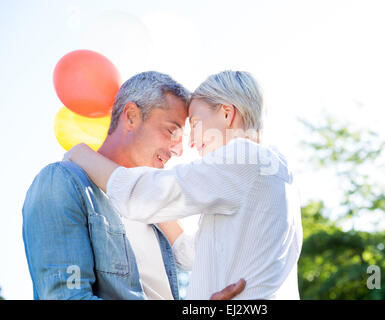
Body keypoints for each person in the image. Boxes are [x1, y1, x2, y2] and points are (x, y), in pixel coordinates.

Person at [66, 70, 303, 299]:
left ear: (227, 114)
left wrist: (80, 153)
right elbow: (192, 255)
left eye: (197, 124)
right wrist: (161, 205)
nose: (191, 142)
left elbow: (139, 196)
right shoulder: (270, 174)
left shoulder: (244, 157)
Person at [22, 71, 245, 300]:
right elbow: (67, 297)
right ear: (130, 116)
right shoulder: (62, 183)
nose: (178, 151)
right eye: (171, 131)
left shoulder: (152, 214)